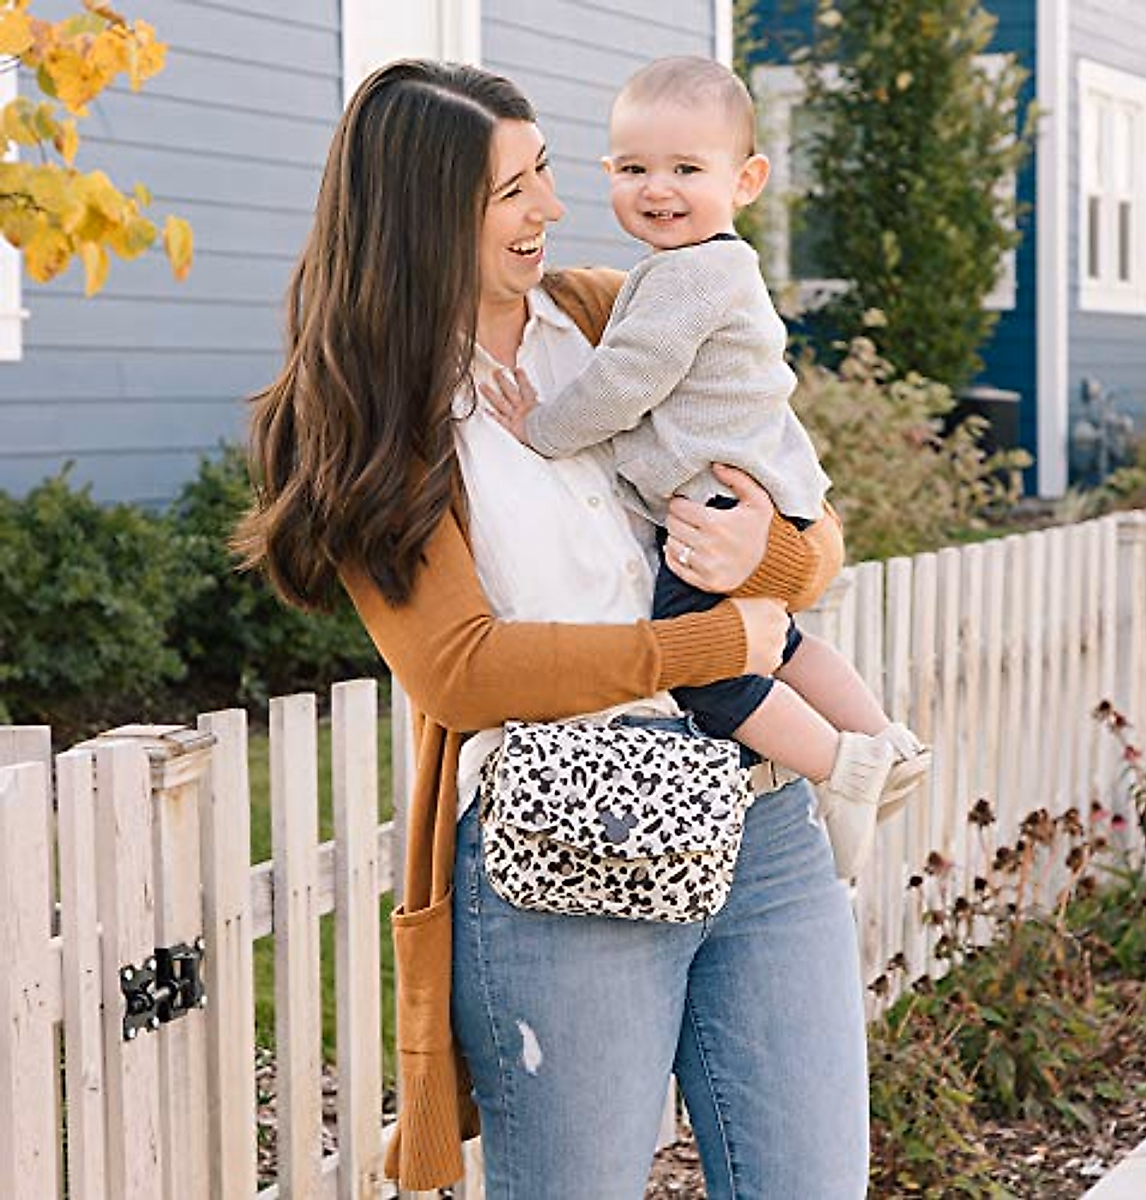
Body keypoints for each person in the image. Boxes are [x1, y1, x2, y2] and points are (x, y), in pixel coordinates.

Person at [237, 60, 870, 1198]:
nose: (556, 208)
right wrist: (711, 649)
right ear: (425, 219)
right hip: (568, 851)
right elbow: (463, 672)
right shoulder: (364, 419)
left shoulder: (604, 313)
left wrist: (764, 558)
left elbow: (810, 534)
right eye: (512, 192)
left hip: (761, 822)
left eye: (544, 173)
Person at [484, 57, 929, 880]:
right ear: (610, 173)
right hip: (765, 491)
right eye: (635, 169)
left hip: (721, 504)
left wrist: (539, 427)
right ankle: (888, 740)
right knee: (787, 645)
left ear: (747, 179)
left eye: (687, 169)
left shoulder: (679, 280)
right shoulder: (709, 269)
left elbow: (620, 387)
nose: (658, 188)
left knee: (714, 679)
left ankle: (843, 766)